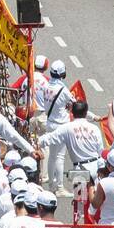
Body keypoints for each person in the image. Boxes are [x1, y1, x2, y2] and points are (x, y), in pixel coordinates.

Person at [38, 59, 75, 193]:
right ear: (62, 74)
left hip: (50, 122)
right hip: (61, 125)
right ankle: (59, 187)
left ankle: (52, 185)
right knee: (59, 156)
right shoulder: (63, 90)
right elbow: (74, 104)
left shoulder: (46, 86)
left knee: (52, 156)